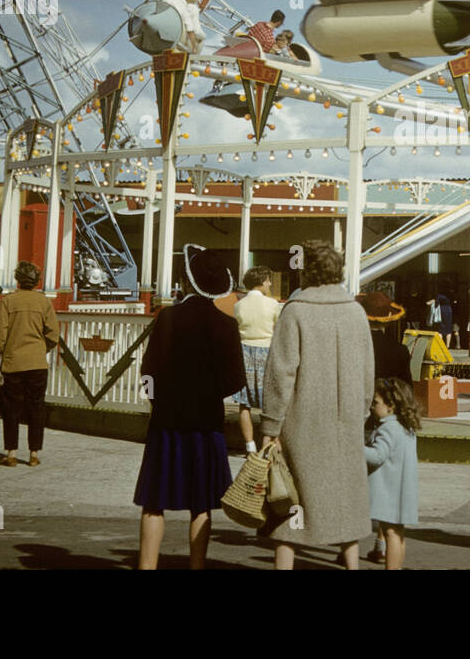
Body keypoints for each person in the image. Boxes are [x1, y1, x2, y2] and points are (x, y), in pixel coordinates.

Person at [259, 241, 373, 570]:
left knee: (290, 503)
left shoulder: (295, 311)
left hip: (301, 423)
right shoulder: (356, 312)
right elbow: (368, 371)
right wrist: (362, 413)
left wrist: (271, 425)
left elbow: (281, 373)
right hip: (346, 421)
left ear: (306, 271)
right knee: (346, 501)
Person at [135, 245, 245, 569]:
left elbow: (148, 371)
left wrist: (157, 401)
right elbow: (236, 379)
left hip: (166, 420)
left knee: (154, 501)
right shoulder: (227, 324)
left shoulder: (168, 317)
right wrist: (209, 395)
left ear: (188, 279)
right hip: (206, 423)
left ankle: (146, 566)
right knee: (201, 503)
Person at [0, 261, 60, 467]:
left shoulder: (8, 302)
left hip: (13, 362)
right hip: (37, 362)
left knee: (11, 408)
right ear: (37, 280)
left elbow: (0, 332)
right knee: (36, 408)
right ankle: (34, 453)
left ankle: (11, 452)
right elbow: (53, 334)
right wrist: (41, 348)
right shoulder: (43, 302)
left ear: (17, 280)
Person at [364, 377, 420, 570]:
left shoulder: (387, 428)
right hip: (402, 491)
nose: (372, 407)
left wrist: (356, 448)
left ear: (391, 406)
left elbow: (378, 456)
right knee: (398, 534)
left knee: (390, 534)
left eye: (376, 402)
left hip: (388, 492)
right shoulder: (406, 428)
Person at [230, 265, 282, 453]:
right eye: (268, 280)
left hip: (244, 352)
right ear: (261, 282)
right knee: (270, 402)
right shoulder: (273, 304)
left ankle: (249, 444)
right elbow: (280, 328)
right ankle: (269, 443)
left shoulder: (239, 305)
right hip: (266, 352)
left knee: (244, 403)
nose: (270, 284)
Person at [356, 291, 412, 384]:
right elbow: (406, 387)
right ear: (387, 322)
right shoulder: (400, 351)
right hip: (386, 393)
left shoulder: (351, 345)